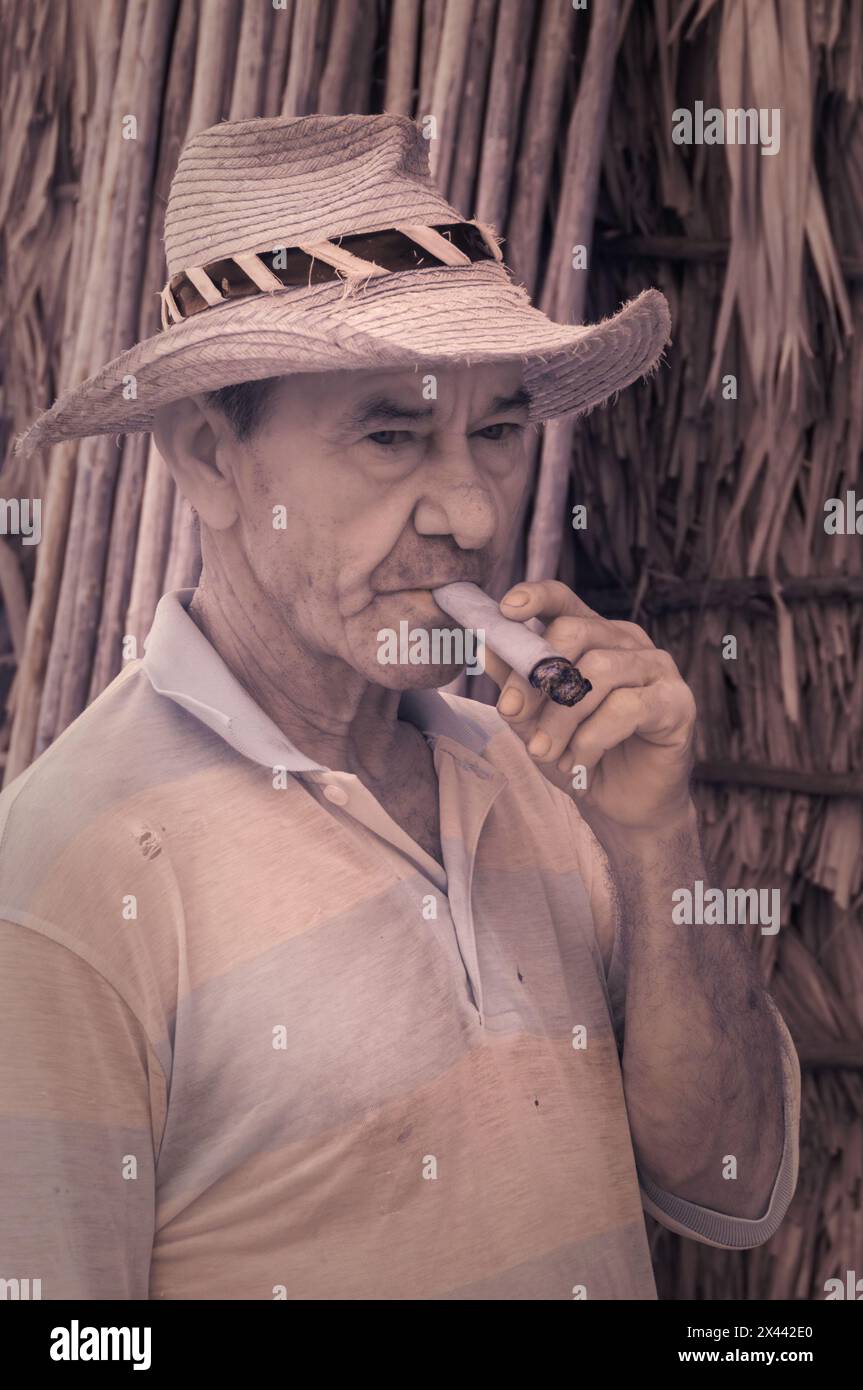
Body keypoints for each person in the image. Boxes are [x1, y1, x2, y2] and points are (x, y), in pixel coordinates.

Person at [0, 114, 799, 1300]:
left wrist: (653, 838)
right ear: (211, 458)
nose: (470, 514)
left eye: (494, 434)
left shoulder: (539, 771)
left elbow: (732, 1185)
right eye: (391, 435)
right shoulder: (67, 885)